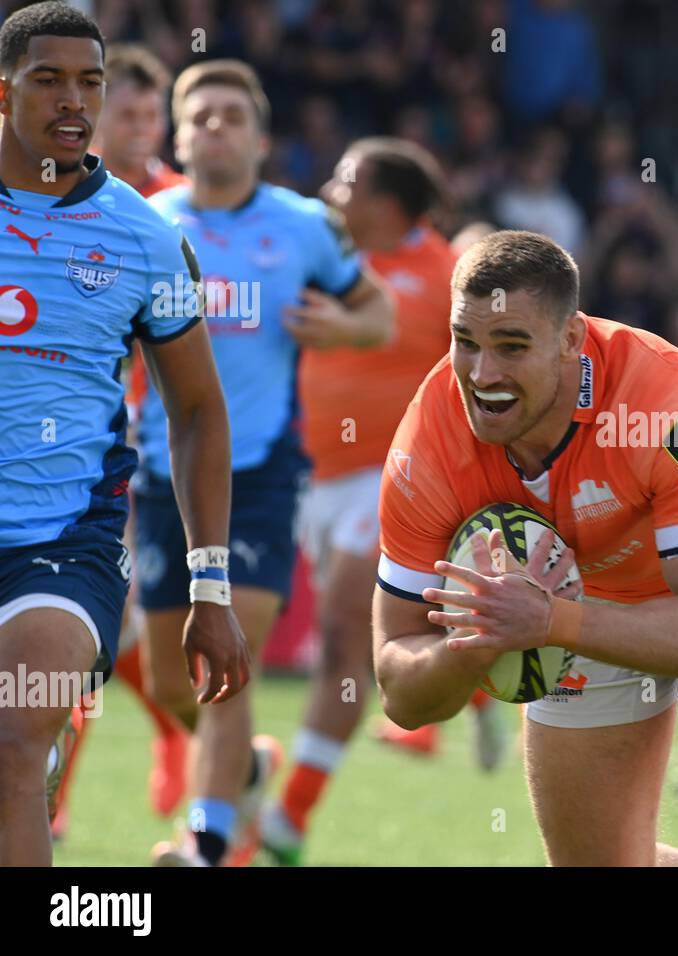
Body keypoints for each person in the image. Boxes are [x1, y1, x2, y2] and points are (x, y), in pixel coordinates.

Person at [374, 230, 678, 866]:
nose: (481, 374)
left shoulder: (666, 405)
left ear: (571, 340)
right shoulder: (427, 445)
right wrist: (478, 642)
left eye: (511, 346)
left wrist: (550, 620)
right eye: (464, 342)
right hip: (571, 604)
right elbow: (401, 691)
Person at [0, 1, 249, 866]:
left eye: (90, 82)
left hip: (64, 542)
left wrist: (209, 589)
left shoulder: (146, 238)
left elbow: (197, 410)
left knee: (13, 742)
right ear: (4, 91)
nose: (74, 101)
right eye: (49, 79)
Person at [138, 60, 393, 866]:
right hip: (161, 472)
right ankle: (247, 767)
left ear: (260, 136)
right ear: (178, 136)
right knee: (171, 679)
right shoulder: (146, 222)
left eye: (232, 116)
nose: (216, 128)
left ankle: (208, 842)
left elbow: (378, 313)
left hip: (259, 473)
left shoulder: (305, 225)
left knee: (223, 659)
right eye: (201, 116)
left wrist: (343, 328)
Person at [257, 137, 484, 865]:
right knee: (335, 649)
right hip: (303, 478)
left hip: (392, 482)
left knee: (345, 630)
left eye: (346, 180)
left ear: (386, 205)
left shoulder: (448, 276)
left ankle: (288, 814)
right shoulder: (318, 253)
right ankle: (473, 682)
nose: (329, 189)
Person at [51, 42, 193, 838]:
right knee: (108, 622)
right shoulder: (53, 196)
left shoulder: (178, 207)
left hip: (144, 451)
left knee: (87, 614)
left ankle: (54, 794)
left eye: (151, 114)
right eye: (126, 114)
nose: (141, 129)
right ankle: (175, 729)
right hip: (61, 438)